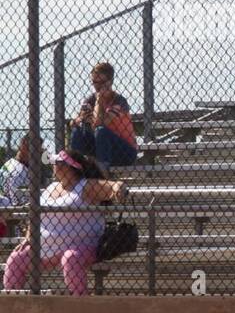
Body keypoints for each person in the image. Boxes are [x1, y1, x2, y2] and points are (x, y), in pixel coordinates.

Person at [2, 148, 127, 296]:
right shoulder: (51, 187)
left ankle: (80, 304)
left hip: (83, 245)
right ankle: (11, 305)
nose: (54, 165)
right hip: (46, 248)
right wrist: (29, 237)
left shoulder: (85, 186)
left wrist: (118, 188)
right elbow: (35, 216)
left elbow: (111, 186)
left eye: (58, 162)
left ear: (70, 166)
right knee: (16, 259)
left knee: (70, 258)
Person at [68, 61, 137, 172]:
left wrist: (99, 101)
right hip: (100, 149)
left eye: (101, 82)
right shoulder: (90, 99)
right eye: (94, 82)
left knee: (101, 131)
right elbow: (75, 122)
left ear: (110, 82)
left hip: (124, 151)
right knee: (77, 131)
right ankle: (74, 169)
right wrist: (78, 120)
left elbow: (99, 123)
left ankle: (102, 171)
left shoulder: (119, 101)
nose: (97, 86)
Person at [0, 134, 41, 206]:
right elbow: (16, 203)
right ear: (24, 148)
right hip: (9, 211)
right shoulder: (20, 172)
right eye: (37, 150)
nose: (39, 153)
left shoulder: (10, 162)